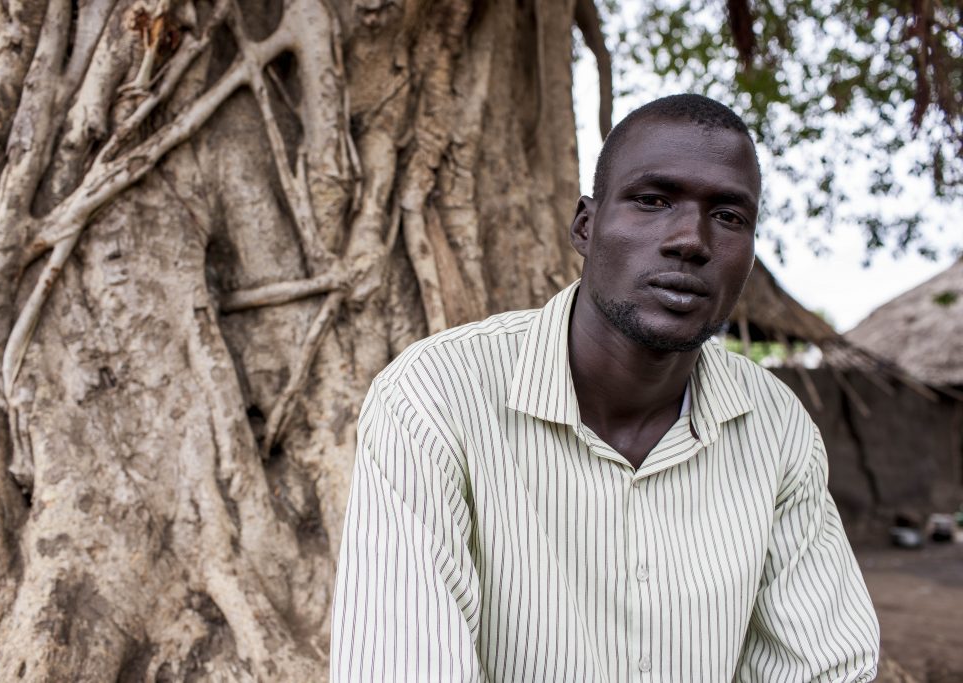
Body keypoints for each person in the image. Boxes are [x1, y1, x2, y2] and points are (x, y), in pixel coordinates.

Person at [330, 94, 880, 682]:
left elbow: (825, 667)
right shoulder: (436, 398)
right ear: (585, 227)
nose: (691, 240)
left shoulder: (776, 427)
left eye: (728, 217)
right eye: (652, 200)